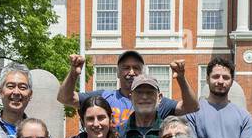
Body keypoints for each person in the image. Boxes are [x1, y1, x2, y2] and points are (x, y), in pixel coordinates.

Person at [56, 49, 192, 127]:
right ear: (118, 72)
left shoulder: (153, 101)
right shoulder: (104, 97)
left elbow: (191, 107)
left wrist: (181, 78)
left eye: (136, 68)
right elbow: (64, 98)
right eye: (126, 68)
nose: (131, 72)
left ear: (142, 72)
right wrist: (74, 73)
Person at [119, 72, 195, 138]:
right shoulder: (120, 132)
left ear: (159, 98)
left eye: (150, 92)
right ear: (130, 97)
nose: (144, 97)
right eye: (139, 93)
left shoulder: (169, 133)